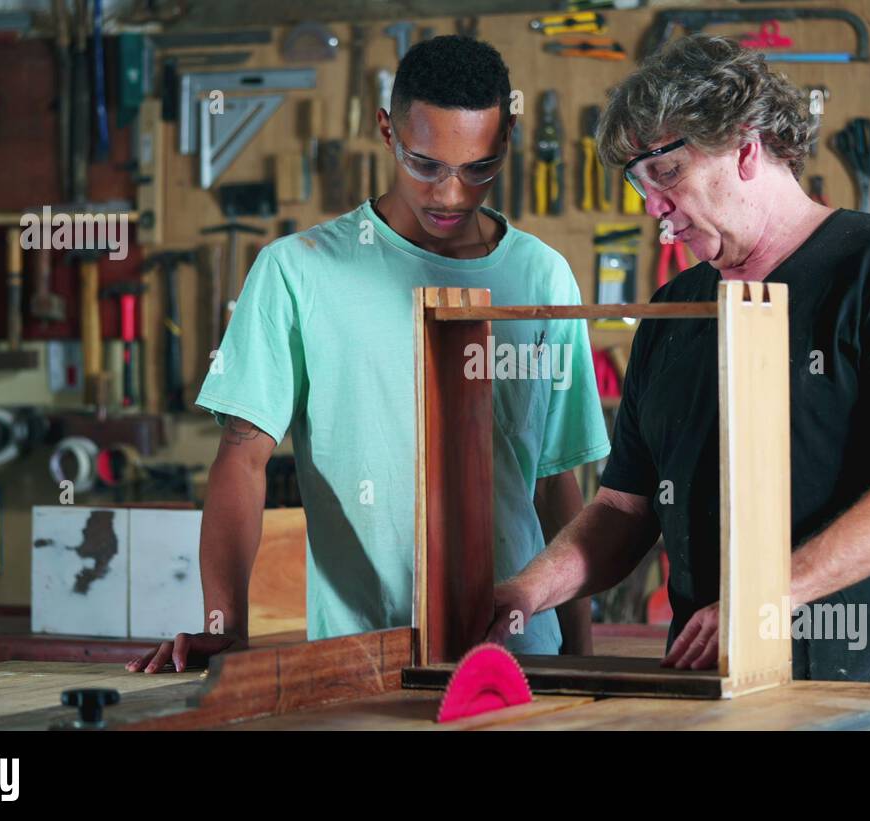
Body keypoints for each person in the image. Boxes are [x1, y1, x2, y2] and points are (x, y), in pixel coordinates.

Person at [488, 35, 870, 729]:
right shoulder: (675, 310)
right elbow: (625, 511)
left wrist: (764, 597)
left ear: (746, 148)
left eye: (667, 172)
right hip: (708, 701)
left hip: (861, 702)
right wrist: (524, 591)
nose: (653, 208)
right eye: (639, 183)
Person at [128, 35, 608, 674]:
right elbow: (242, 460)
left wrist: (579, 654)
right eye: (425, 164)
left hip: (519, 661)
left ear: (510, 135)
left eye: (478, 169)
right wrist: (226, 625)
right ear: (386, 131)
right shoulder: (298, 273)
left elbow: (555, 481)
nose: (450, 195)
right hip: (359, 659)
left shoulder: (543, 279)